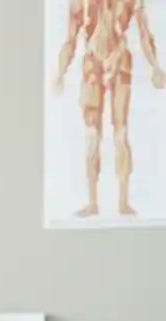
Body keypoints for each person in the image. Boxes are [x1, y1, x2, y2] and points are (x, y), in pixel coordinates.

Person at [54, 0, 165, 218]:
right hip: (93, 64)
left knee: (120, 133)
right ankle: (93, 202)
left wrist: (155, 66)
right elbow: (70, 40)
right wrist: (60, 72)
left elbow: (145, 34)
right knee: (92, 135)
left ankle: (122, 201)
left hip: (119, 61)